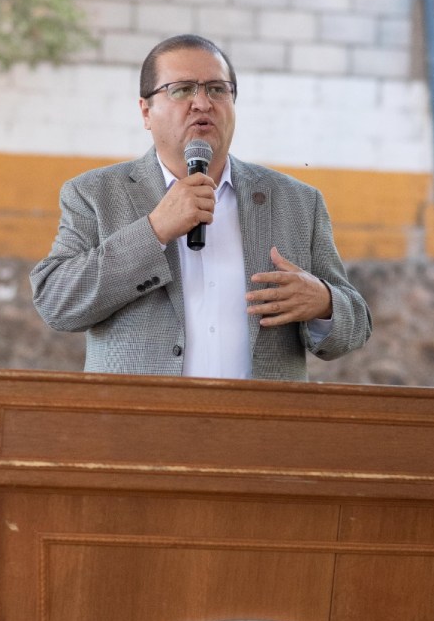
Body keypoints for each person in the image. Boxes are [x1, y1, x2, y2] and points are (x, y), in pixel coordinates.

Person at [30, 34, 371, 381]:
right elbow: (57, 303)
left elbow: (356, 323)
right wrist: (155, 230)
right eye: (182, 89)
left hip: (258, 427)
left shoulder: (298, 202)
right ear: (146, 111)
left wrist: (324, 303)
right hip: (139, 424)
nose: (202, 103)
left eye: (217, 89)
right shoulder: (94, 194)